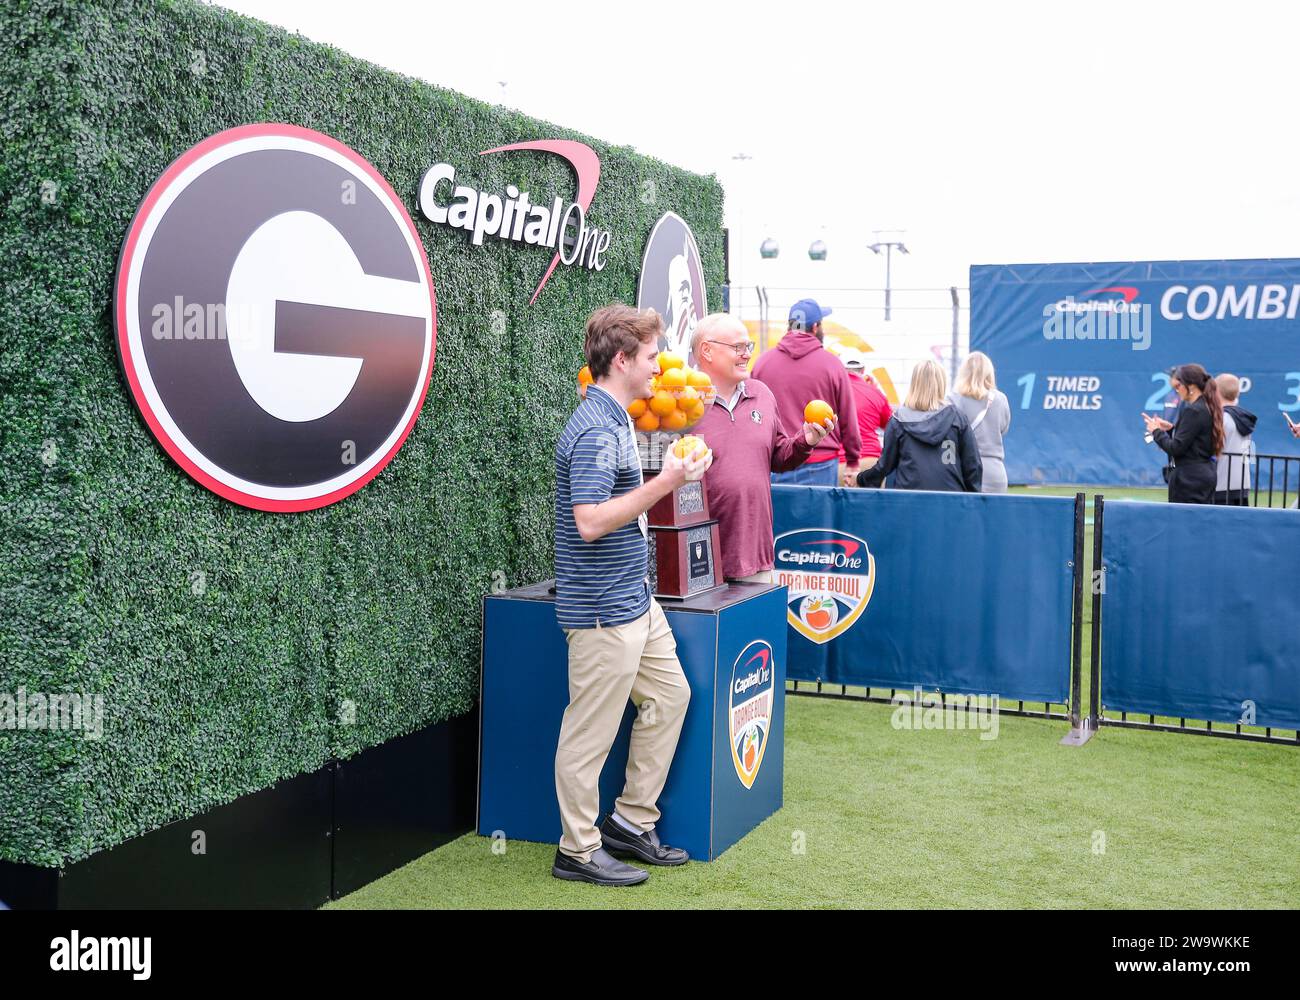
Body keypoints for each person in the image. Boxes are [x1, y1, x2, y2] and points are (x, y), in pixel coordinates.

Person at [552, 304, 711, 887]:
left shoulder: (615, 417)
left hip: (633, 602)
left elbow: (616, 503)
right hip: (601, 609)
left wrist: (670, 472)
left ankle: (629, 822)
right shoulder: (597, 426)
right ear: (621, 360)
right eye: (650, 357)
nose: (658, 367)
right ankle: (576, 850)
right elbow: (591, 521)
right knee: (588, 736)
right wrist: (668, 482)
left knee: (671, 697)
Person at [689, 313, 834, 583]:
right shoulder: (681, 405)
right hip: (696, 562)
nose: (746, 355)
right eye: (738, 347)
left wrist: (807, 441)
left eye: (748, 347)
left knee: (755, 626)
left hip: (755, 557)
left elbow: (778, 456)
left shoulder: (761, 394)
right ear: (706, 350)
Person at [751, 298, 861, 486]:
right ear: (816, 327)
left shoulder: (762, 363)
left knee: (776, 517)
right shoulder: (832, 364)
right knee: (819, 517)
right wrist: (853, 459)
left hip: (775, 463)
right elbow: (847, 416)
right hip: (820, 463)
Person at [856, 359, 982, 492]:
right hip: (950, 500)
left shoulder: (899, 420)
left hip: (909, 501)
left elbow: (884, 466)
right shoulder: (957, 418)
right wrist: (973, 497)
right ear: (941, 383)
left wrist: (861, 479)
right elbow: (972, 465)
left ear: (914, 384)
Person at [1141, 363, 1224, 504]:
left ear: (1190, 386)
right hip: (1200, 475)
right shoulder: (1205, 406)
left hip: (1190, 479)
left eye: (1178, 387)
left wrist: (1156, 431)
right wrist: (1172, 429)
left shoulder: (1194, 410)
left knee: (1185, 523)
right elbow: (1196, 440)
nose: (1177, 391)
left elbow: (1176, 448)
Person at [946, 351, 1012, 493]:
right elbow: (1004, 429)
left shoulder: (952, 399)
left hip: (963, 470)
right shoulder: (1001, 399)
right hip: (995, 472)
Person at [838, 350, 892, 486]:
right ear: (863, 370)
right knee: (875, 507)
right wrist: (874, 390)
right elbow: (891, 426)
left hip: (841, 463)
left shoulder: (829, 390)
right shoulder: (875, 393)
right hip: (871, 463)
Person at [1214, 373, 1256, 505]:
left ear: (1216, 392)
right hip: (1242, 485)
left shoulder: (1220, 420)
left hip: (1219, 485)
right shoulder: (1245, 419)